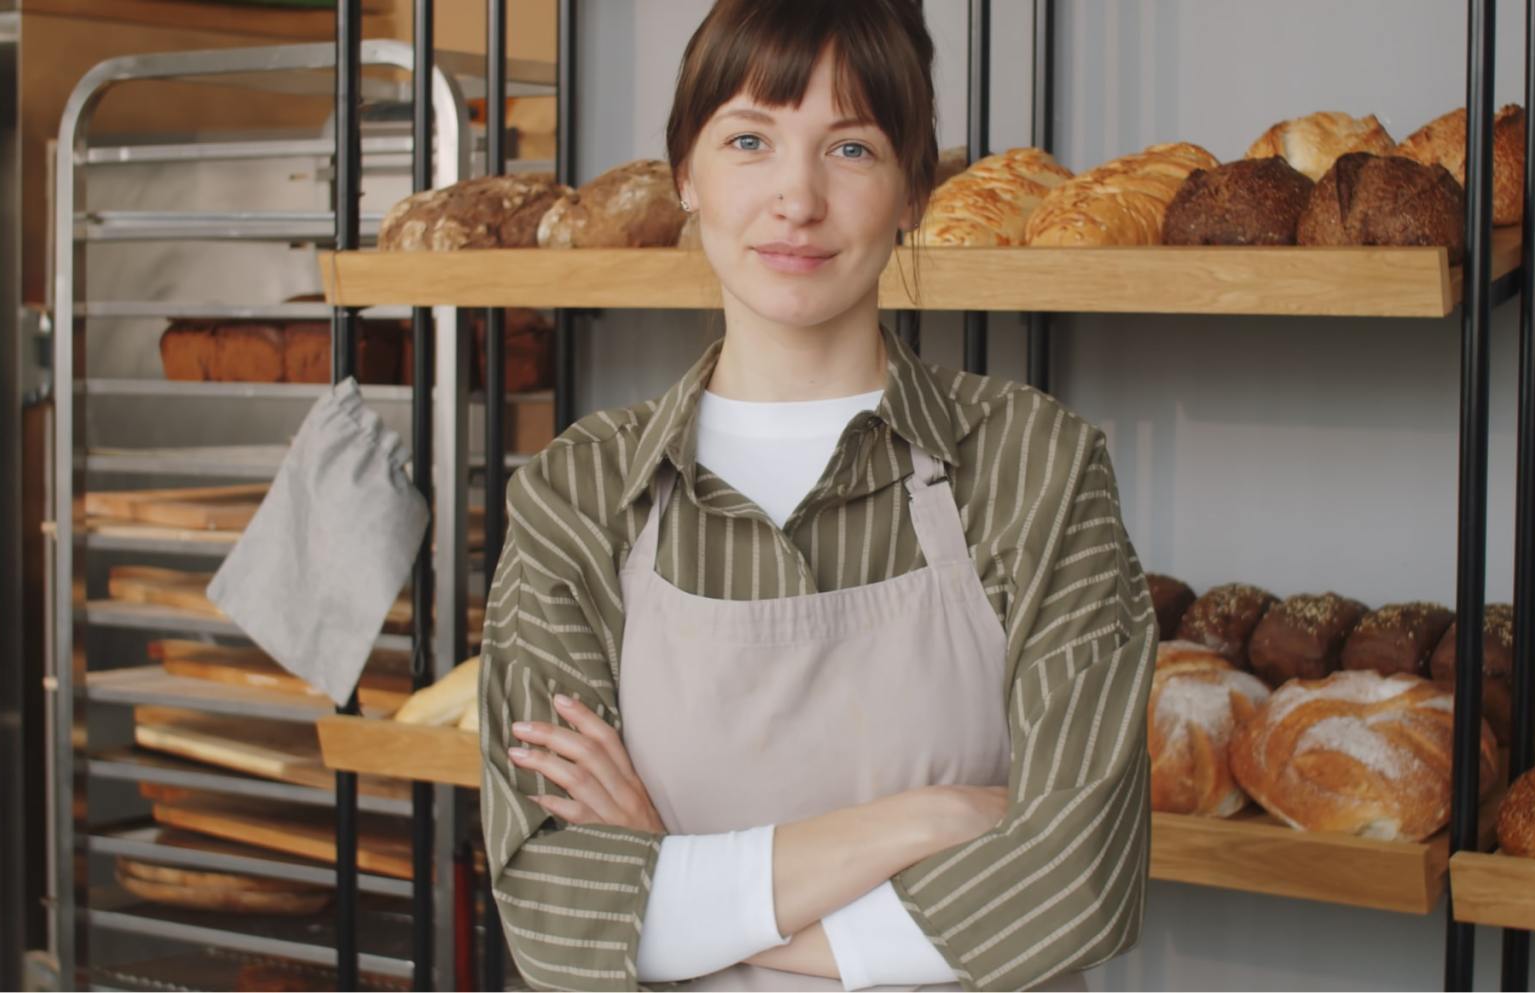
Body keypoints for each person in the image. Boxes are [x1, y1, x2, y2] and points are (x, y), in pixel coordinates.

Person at [479, 1, 1156, 988]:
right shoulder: (578, 494)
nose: (795, 199)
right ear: (686, 174)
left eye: (850, 148)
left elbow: (1074, 879)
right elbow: (555, 911)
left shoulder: (1033, 465)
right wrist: (919, 821)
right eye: (748, 139)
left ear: (914, 189)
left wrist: (675, 876)